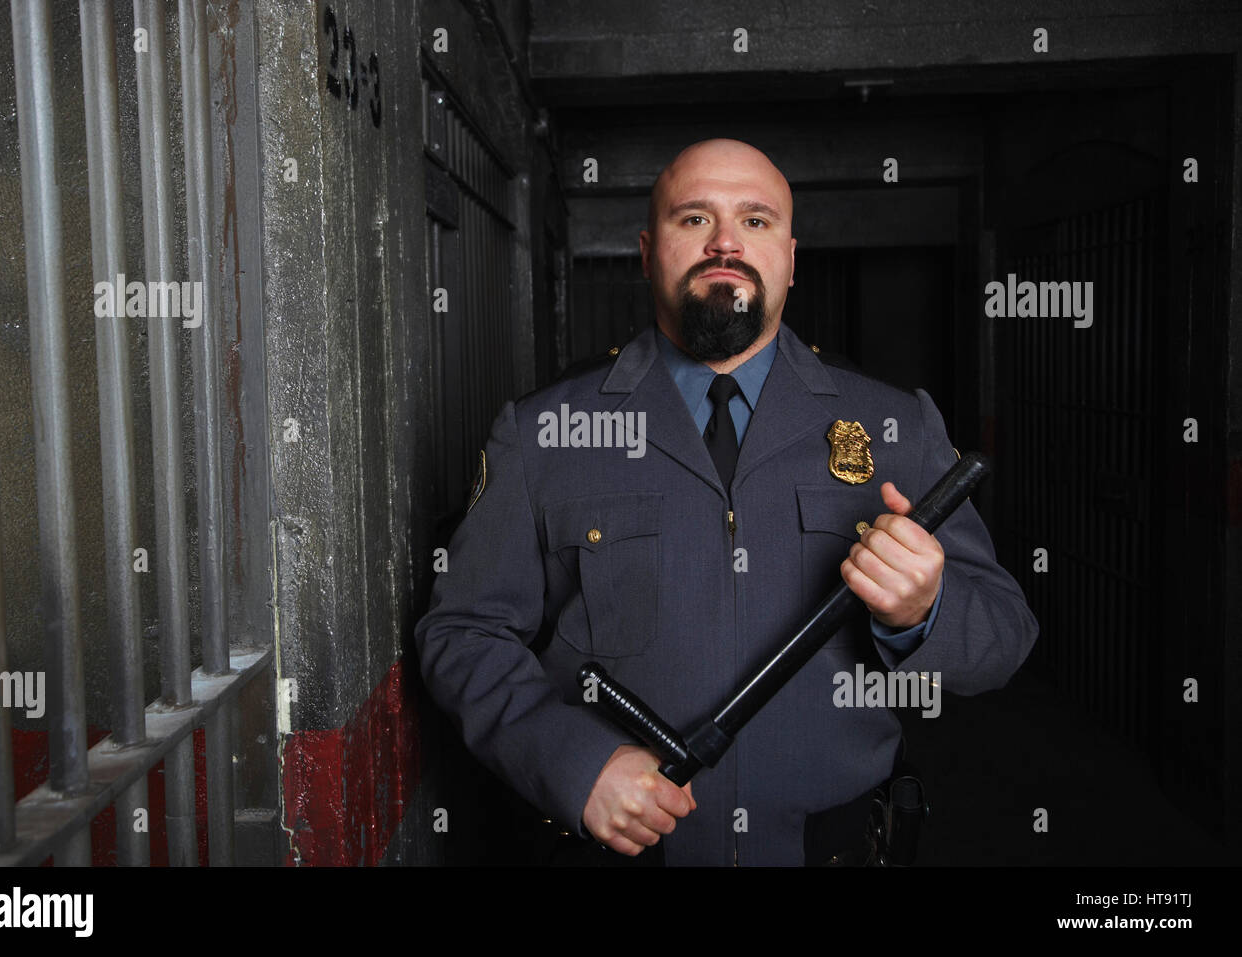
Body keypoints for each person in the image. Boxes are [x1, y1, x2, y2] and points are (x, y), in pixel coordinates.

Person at [414, 138, 1038, 866]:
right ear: (647, 251)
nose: (725, 244)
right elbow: (461, 630)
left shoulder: (896, 426)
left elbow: (1004, 635)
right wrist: (572, 763)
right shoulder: (545, 433)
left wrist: (921, 611)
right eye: (693, 220)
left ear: (792, 257)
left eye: (756, 220)